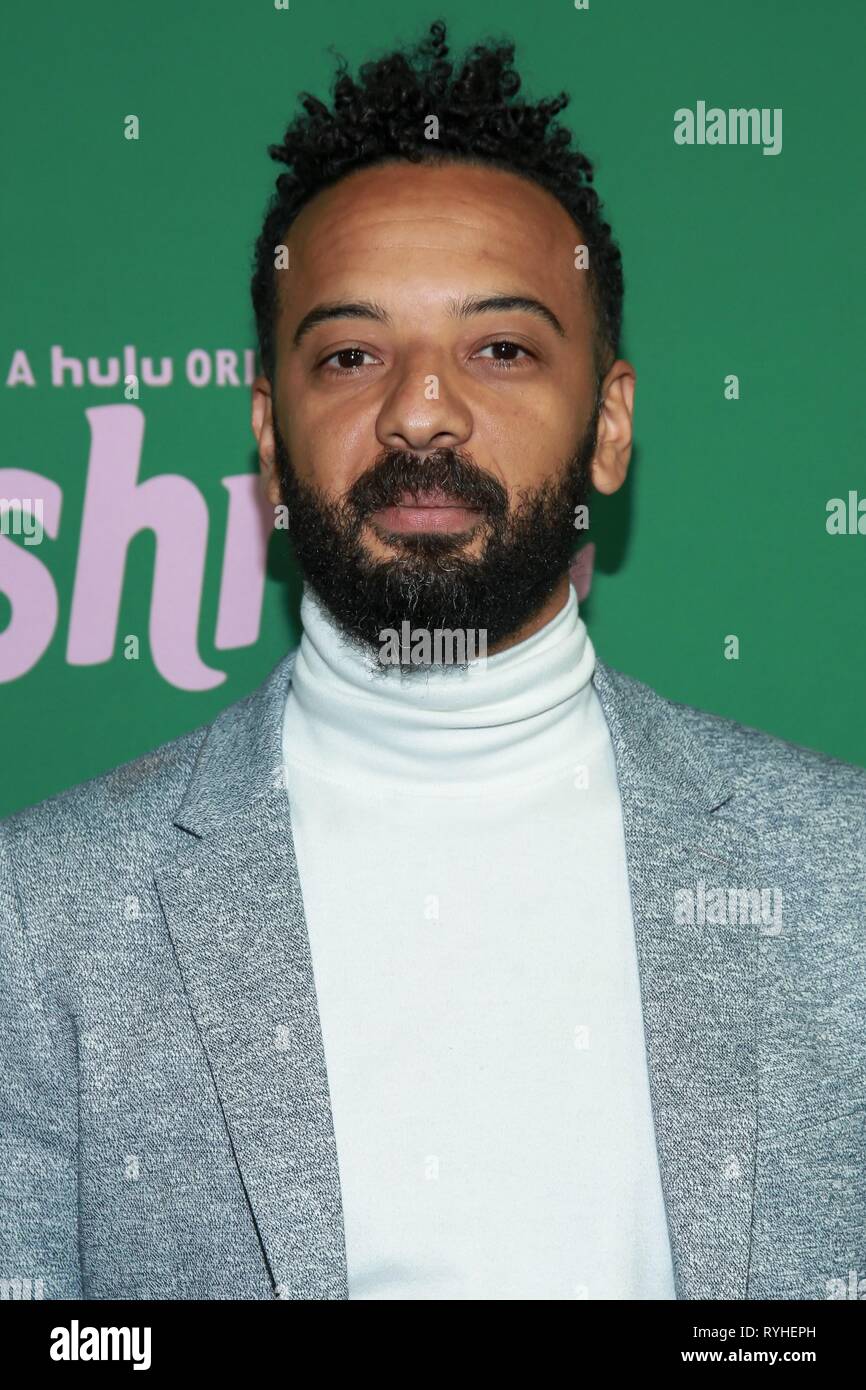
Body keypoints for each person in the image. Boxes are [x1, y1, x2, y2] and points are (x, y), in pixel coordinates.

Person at [1, 20, 863, 1302]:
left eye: (499, 348)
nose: (419, 409)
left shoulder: (836, 874)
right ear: (268, 436)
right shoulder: (43, 916)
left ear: (609, 424)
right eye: (350, 354)